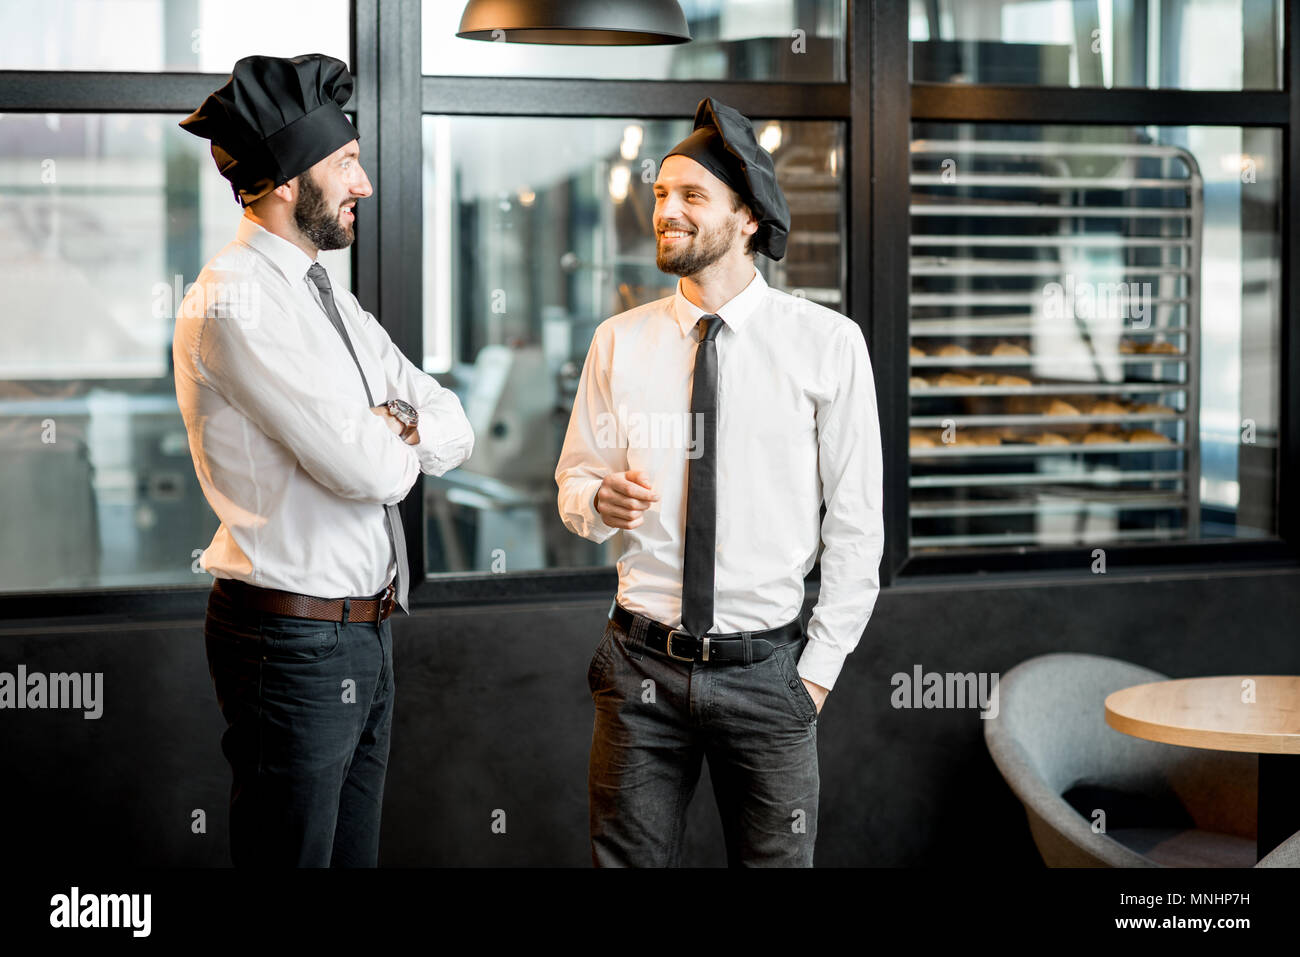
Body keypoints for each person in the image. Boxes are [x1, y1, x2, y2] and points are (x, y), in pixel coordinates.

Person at [556, 97, 884, 867]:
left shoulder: (828, 345)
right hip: (638, 667)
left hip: (768, 674)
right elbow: (574, 482)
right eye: (661, 193)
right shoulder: (618, 342)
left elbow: (858, 525)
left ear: (747, 220)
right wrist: (596, 501)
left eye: (690, 196)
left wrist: (816, 676)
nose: (665, 210)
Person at [172, 53, 474, 867]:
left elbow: (453, 421)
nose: (365, 184)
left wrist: (393, 418)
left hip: (363, 633)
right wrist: (391, 436)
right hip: (290, 641)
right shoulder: (234, 298)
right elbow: (375, 474)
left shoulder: (325, 293)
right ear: (281, 181)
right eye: (346, 163)